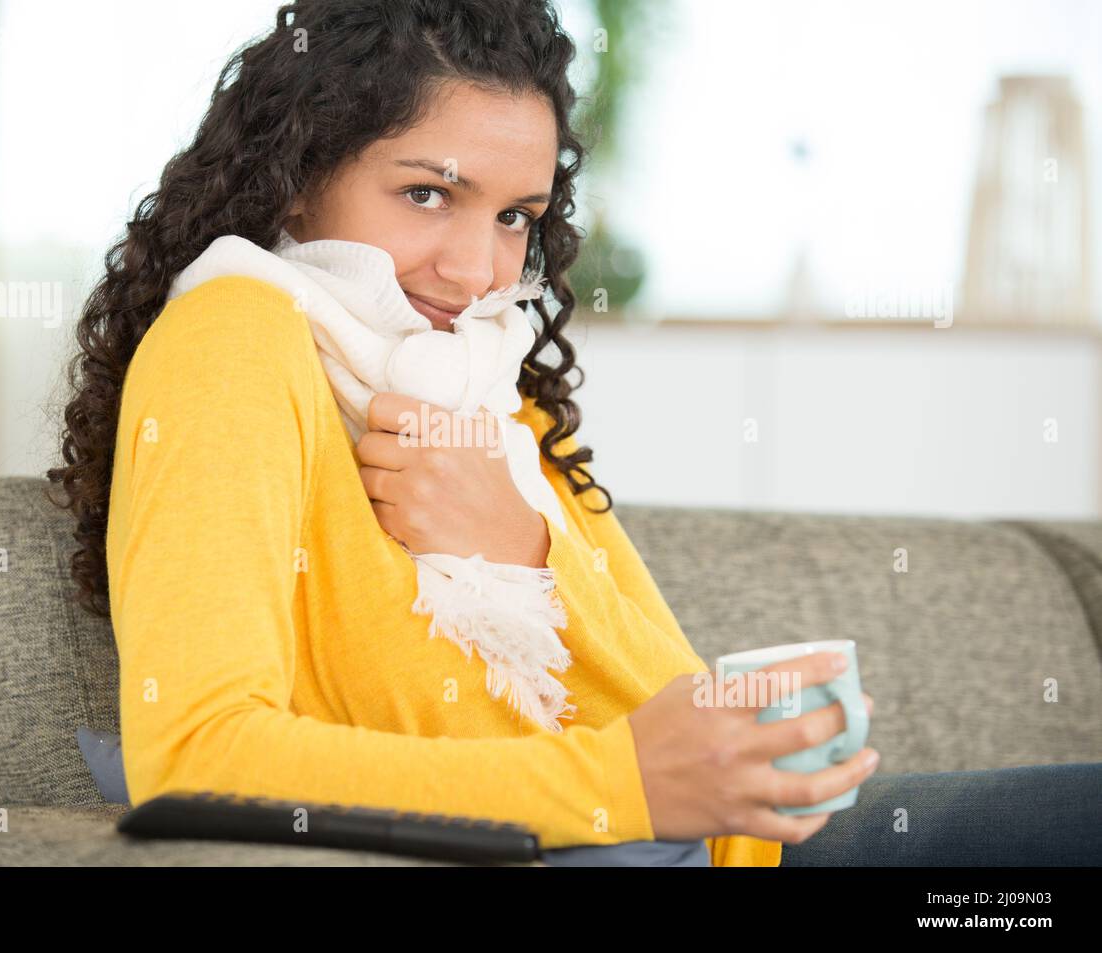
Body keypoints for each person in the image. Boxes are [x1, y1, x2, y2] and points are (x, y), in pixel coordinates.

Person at [47, 0, 883, 866]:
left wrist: (523, 547)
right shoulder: (231, 341)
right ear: (296, 174)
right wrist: (612, 787)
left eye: (514, 217)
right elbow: (194, 761)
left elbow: (684, 706)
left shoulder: (480, 383)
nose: (477, 271)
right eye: (427, 193)